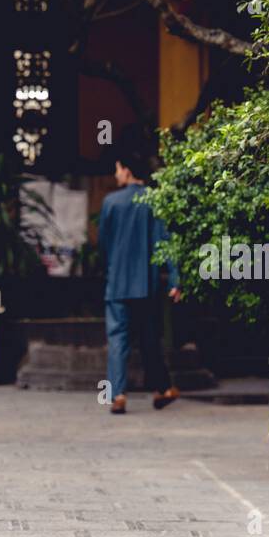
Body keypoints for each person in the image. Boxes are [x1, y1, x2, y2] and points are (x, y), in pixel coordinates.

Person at [98, 152, 181, 415]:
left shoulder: (110, 202)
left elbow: (103, 245)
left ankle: (118, 395)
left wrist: (111, 270)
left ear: (127, 170)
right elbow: (165, 242)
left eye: (118, 168)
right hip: (146, 285)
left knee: (117, 340)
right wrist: (176, 279)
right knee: (149, 339)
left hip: (117, 285)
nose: (115, 174)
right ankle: (161, 388)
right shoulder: (152, 200)